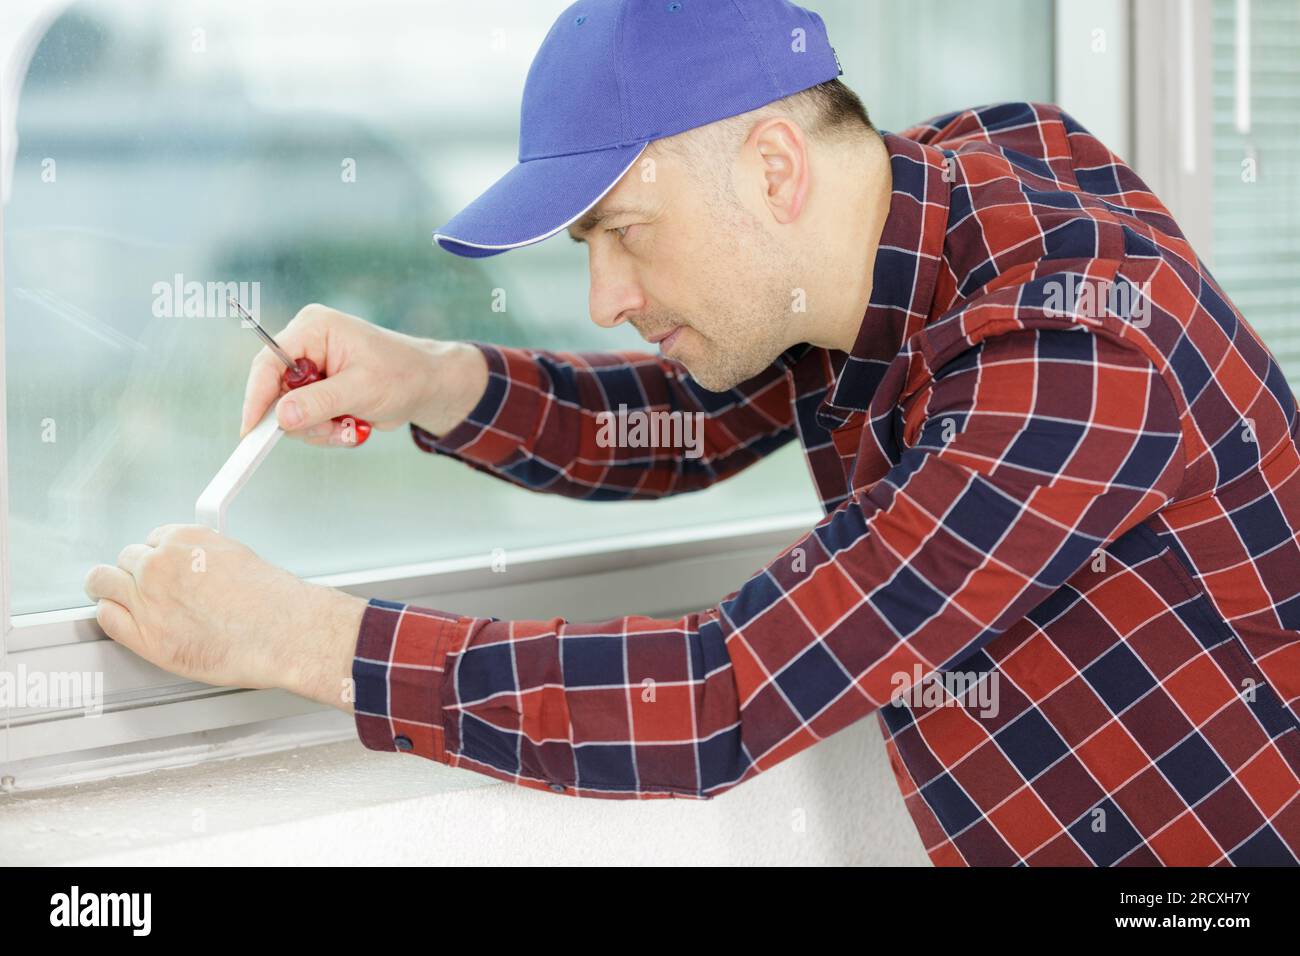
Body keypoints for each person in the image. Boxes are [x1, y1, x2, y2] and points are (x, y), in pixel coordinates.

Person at [84, 0, 1300, 866]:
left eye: (625, 231)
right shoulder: (918, 203)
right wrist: (430, 378)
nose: (607, 295)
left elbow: (723, 692)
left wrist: (303, 638)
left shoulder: (1071, 353)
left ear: (775, 169)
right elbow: (681, 419)